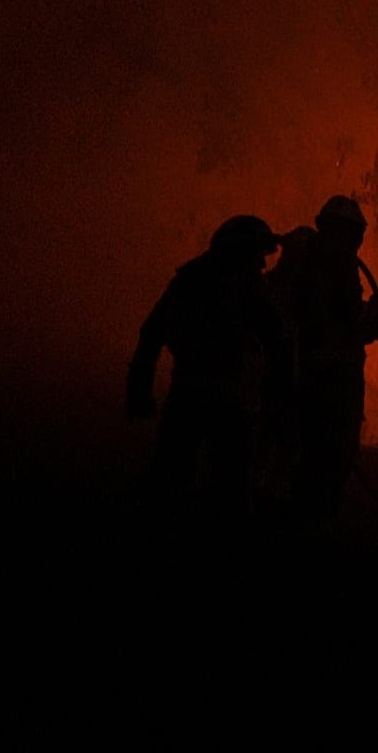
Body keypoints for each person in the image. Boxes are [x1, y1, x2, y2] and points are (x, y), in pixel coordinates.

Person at [127, 214, 292, 527]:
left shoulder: (188, 280)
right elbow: (277, 341)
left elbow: (152, 333)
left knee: (169, 476)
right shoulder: (247, 286)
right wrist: (286, 390)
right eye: (259, 254)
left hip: (187, 392)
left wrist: (138, 390)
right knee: (231, 487)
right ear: (243, 251)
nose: (262, 264)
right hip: (229, 399)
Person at [275, 195, 378, 525]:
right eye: (356, 232)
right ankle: (311, 526)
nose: (358, 240)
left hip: (307, 372)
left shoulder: (309, 261)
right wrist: (375, 315)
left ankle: (295, 519)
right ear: (348, 231)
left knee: (307, 451)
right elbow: (347, 322)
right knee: (331, 455)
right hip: (333, 377)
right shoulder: (337, 265)